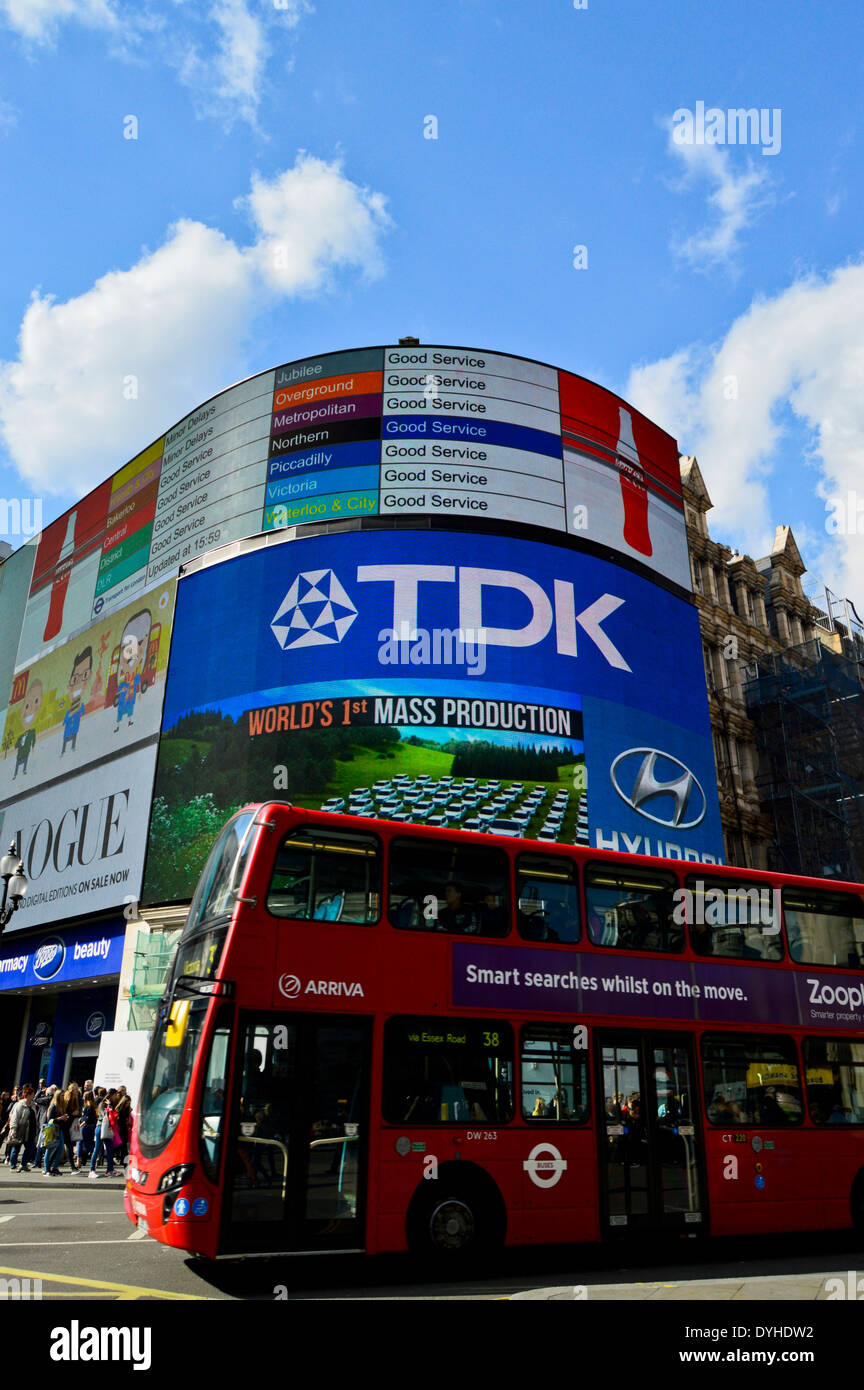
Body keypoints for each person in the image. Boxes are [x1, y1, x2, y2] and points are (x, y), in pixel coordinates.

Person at [6, 1087, 37, 1171]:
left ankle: (23, 1164)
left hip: (30, 1130)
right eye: (32, 1094)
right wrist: (13, 1129)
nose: (33, 1096)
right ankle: (12, 1165)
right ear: (28, 1095)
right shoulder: (20, 1105)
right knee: (16, 1148)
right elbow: (14, 1117)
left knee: (29, 1148)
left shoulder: (33, 1105)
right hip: (20, 1129)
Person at [90, 1091, 119, 1178]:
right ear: (111, 1095)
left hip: (108, 1128)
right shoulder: (102, 1104)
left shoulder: (110, 1104)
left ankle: (109, 1170)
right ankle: (92, 1170)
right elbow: (104, 1115)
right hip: (101, 1127)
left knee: (110, 1149)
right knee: (97, 1148)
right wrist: (109, 1107)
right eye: (115, 1095)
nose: (116, 1097)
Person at [43, 1090, 68, 1176]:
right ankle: (46, 1169)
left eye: (63, 1095)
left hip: (59, 1130)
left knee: (60, 1149)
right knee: (49, 1149)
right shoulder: (53, 1106)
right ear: (57, 1096)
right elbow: (50, 1119)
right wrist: (60, 1118)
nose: (63, 1097)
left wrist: (64, 1118)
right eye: (61, 1095)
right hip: (52, 1130)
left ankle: (55, 1167)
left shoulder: (62, 1106)